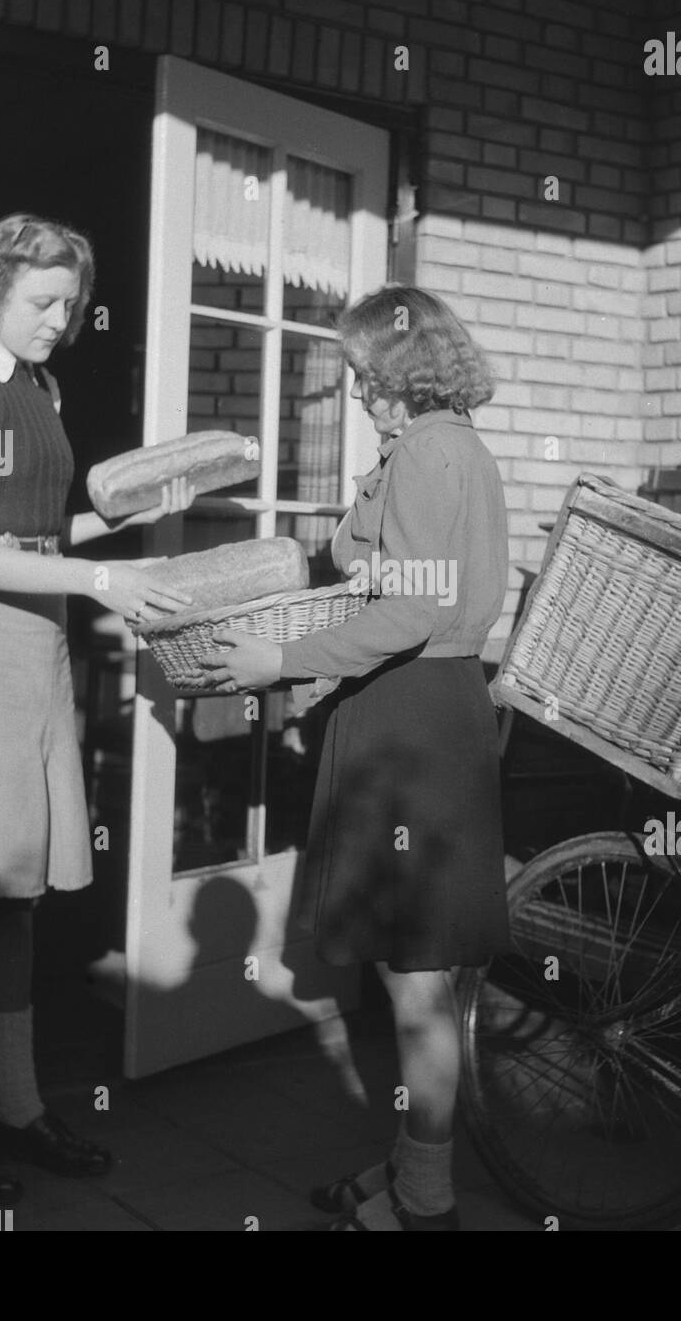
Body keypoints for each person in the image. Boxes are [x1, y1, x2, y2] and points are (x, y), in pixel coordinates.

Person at [202, 285, 511, 1230]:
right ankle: (412, 1170)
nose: (355, 390)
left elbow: (411, 611)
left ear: (402, 370)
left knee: (414, 982)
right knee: (417, 973)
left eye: (365, 374)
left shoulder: (423, 454)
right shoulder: (454, 448)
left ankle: (425, 1202)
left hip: (408, 718)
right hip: (436, 711)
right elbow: (411, 586)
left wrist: (283, 661)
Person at [0, 213, 196, 1204]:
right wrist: (96, 580)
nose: (59, 319)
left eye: (70, 303)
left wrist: (119, 525)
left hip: (39, 644)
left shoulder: (43, 388)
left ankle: (13, 1103)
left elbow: (39, 532)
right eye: (41, 300)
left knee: (20, 894)